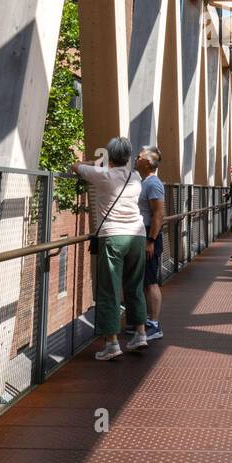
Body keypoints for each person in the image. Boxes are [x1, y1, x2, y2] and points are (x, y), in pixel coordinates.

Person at [72, 137, 149, 360]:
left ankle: (112, 343)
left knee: (109, 289)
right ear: (128, 156)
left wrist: (100, 161)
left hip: (113, 236)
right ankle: (140, 334)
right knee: (135, 285)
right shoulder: (135, 176)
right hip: (137, 236)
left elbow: (75, 166)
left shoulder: (103, 175)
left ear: (109, 155)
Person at [136, 146, 166, 341]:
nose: (136, 159)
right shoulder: (145, 182)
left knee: (150, 282)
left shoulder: (153, 184)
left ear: (148, 162)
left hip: (149, 235)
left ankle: (154, 325)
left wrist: (151, 241)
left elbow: (158, 214)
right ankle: (146, 322)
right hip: (144, 234)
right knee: (144, 281)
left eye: (139, 157)